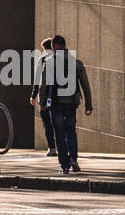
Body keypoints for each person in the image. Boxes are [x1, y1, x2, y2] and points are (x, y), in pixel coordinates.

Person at [31, 35, 93, 175]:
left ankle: (64, 166)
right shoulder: (77, 63)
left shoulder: (49, 62)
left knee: (59, 134)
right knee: (71, 131)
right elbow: (85, 86)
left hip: (56, 103)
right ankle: (73, 159)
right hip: (72, 103)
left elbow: (45, 84)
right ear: (65, 46)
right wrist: (88, 105)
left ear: (53, 47)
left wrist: (42, 102)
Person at [29, 38, 57, 157]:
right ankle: (64, 147)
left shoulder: (43, 59)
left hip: (45, 96)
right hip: (57, 96)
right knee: (59, 122)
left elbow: (37, 80)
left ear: (44, 48)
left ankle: (52, 148)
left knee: (47, 123)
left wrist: (33, 95)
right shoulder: (58, 58)